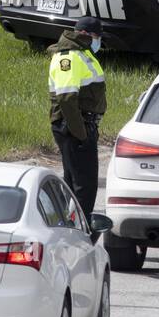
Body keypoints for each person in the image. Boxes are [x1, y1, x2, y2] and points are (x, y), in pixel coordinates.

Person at [47, 16, 107, 215]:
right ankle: (82, 231)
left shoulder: (81, 53)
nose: (98, 41)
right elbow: (66, 99)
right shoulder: (69, 57)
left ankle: (68, 224)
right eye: (97, 36)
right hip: (73, 126)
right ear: (86, 35)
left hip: (77, 125)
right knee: (85, 185)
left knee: (75, 183)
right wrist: (81, 134)